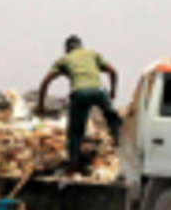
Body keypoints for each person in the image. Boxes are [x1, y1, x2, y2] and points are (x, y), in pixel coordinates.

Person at [37, 35, 122, 173]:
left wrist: (41, 104)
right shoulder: (93, 54)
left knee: (76, 131)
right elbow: (113, 71)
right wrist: (112, 91)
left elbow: (46, 81)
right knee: (113, 118)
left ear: (67, 48)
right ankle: (119, 144)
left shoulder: (64, 60)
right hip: (100, 91)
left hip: (80, 93)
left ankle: (74, 165)